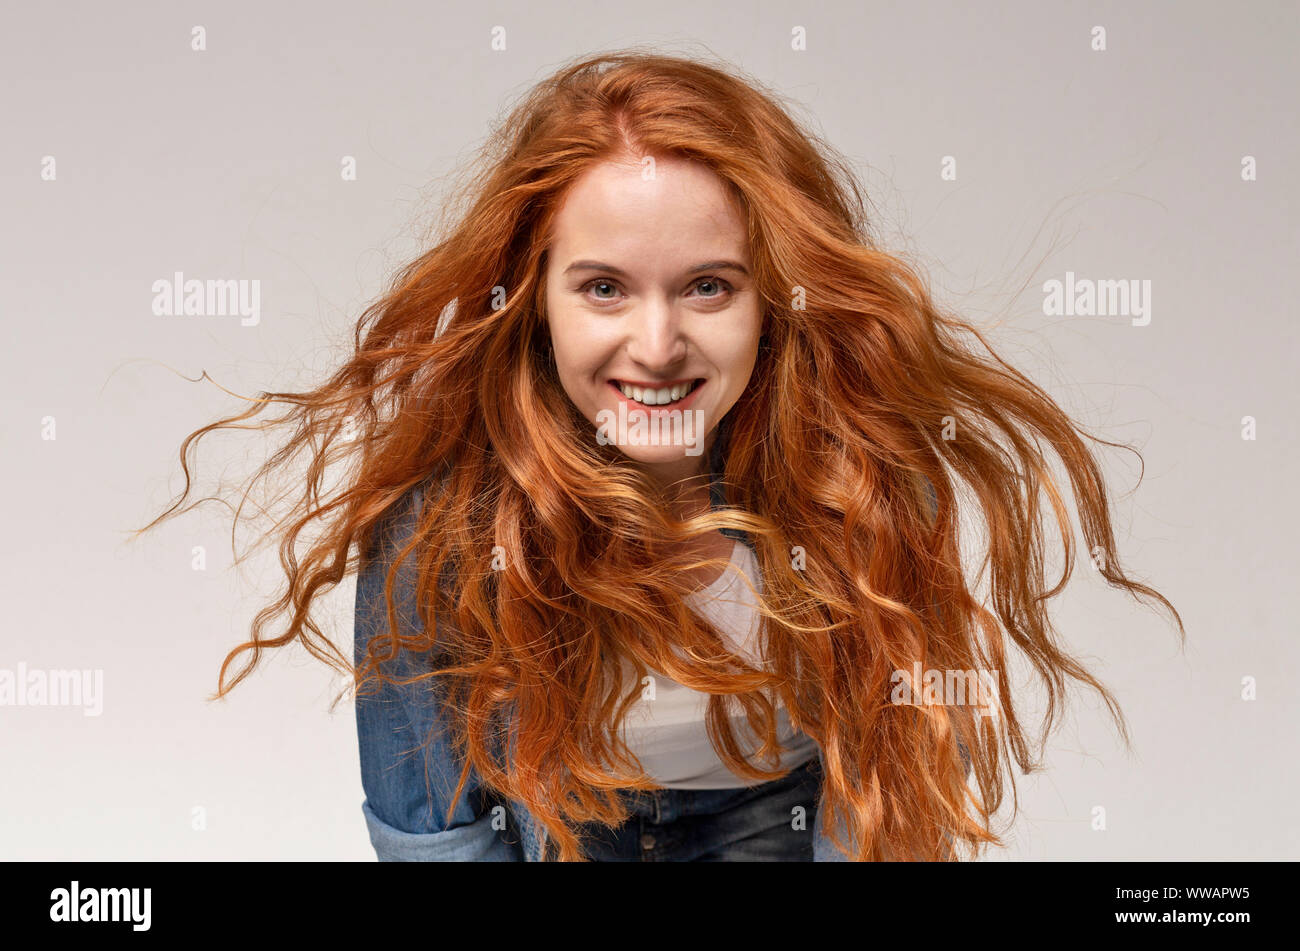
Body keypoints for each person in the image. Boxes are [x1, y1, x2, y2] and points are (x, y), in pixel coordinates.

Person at [138, 48, 1183, 862]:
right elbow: (432, 828)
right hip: (560, 834)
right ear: (530, 299)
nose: (655, 344)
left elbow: (879, 789)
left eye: (707, 287)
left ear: (775, 299)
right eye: (603, 288)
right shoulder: (446, 517)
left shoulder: (856, 482)